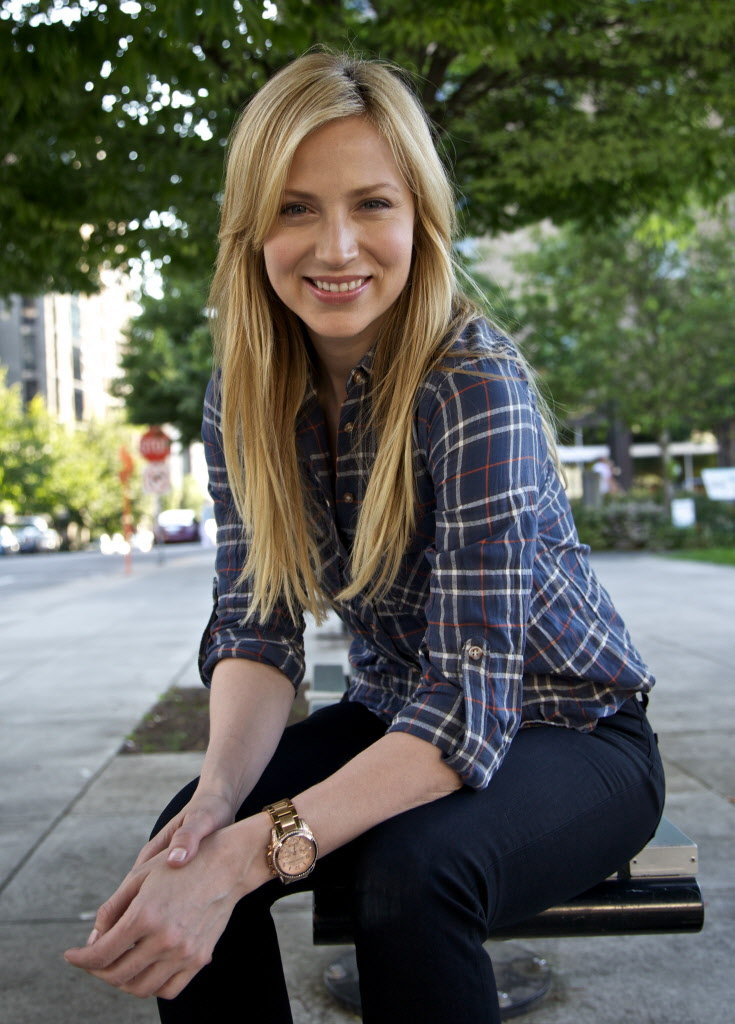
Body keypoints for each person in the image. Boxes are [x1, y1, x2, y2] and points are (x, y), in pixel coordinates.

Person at [65, 51, 665, 1024]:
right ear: (251, 226)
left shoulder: (473, 383)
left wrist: (253, 850)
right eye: (296, 208)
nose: (336, 245)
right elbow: (256, 631)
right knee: (184, 839)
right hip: (397, 715)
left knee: (408, 878)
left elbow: (465, 710)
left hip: (572, 733)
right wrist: (216, 806)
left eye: (372, 204)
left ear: (420, 216)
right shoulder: (244, 391)